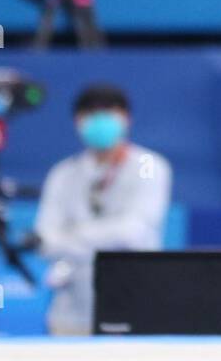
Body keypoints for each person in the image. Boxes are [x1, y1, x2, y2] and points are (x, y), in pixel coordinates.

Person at [34, 83, 172, 334]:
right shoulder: (63, 173)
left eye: (108, 112)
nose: (99, 120)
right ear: (77, 121)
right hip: (71, 310)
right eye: (90, 114)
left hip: (135, 303)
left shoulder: (149, 166)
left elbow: (134, 232)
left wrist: (71, 236)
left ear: (126, 118)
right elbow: (44, 241)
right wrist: (103, 237)